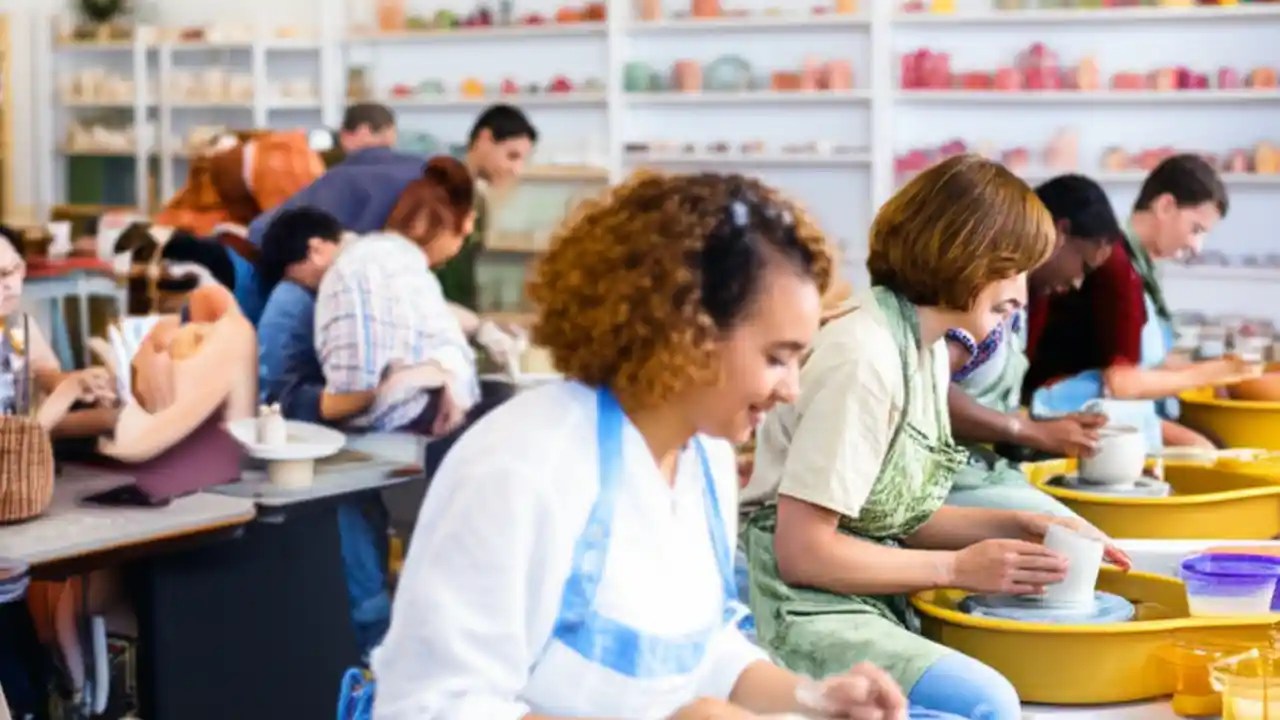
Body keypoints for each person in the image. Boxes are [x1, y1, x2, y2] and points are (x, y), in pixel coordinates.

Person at [370, 170, 911, 720]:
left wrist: (812, 697)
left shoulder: (705, 459)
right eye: (776, 358)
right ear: (686, 330)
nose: (791, 388)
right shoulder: (521, 466)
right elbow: (430, 705)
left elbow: (702, 655)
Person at [740, 155, 1131, 720]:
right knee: (989, 701)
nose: (1023, 296)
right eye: (1014, 269)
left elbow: (884, 514)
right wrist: (956, 568)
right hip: (797, 602)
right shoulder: (866, 358)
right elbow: (803, 553)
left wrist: (1021, 525)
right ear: (968, 257)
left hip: (858, 588)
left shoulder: (922, 351)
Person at [1024, 154, 1261, 450]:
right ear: (1165, 206)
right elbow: (1121, 382)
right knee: (1203, 450)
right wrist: (1211, 373)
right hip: (1068, 410)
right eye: (1196, 229)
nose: (1196, 246)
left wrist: (1218, 371)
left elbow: (1143, 360)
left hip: (1106, 406)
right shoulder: (1112, 266)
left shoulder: (1138, 268)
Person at [943, 175, 1122, 515]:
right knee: (1067, 536)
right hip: (936, 474)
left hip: (978, 466)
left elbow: (985, 398)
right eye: (1082, 265)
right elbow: (927, 393)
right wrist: (1028, 431)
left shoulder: (1018, 303)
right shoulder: (976, 296)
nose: (1076, 283)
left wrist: (1047, 423)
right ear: (1058, 233)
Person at [247, 104, 538, 309]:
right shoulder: (425, 185)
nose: (516, 169)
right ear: (484, 139)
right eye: (511, 156)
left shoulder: (458, 192)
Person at [0, 226, 116, 436]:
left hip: (29, 437)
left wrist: (83, 381)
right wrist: (70, 390)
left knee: (116, 419)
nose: (7, 285)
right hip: (18, 444)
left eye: (11, 271)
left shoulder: (17, 325)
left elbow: (46, 375)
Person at [255, 207, 343, 417]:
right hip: (294, 410)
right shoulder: (299, 301)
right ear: (316, 249)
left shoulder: (288, 295)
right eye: (339, 246)